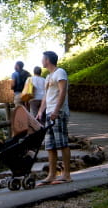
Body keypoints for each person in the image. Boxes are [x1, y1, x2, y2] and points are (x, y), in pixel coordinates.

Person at [36, 51, 72, 185]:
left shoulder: (60, 72)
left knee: (62, 143)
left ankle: (67, 174)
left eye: (42, 58)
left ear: (48, 60)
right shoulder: (48, 76)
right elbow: (46, 96)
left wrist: (56, 110)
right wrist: (40, 111)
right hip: (49, 113)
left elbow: (63, 91)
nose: (41, 61)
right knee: (50, 146)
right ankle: (51, 175)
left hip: (59, 112)